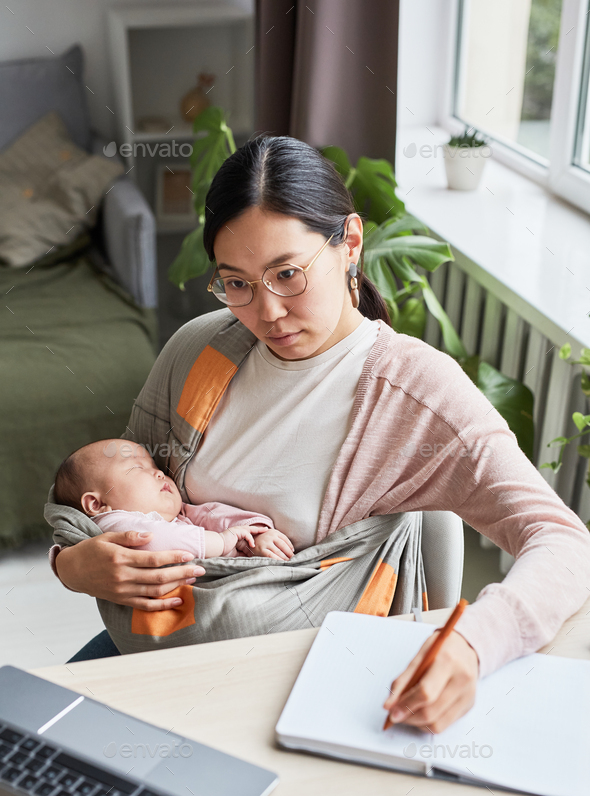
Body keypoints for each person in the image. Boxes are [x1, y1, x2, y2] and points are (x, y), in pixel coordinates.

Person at [49, 135, 590, 734]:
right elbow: (112, 494)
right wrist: (72, 567)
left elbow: (564, 542)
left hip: (298, 692)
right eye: (237, 283)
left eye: (287, 274)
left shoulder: (413, 394)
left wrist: (472, 644)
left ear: (350, 242)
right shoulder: (200, 350)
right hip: (155, 656)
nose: (267, 312)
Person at [53, 438, 295, 560]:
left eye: (155, 465)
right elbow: (159, 540)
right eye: (137, 469)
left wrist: (252, 536)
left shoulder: (179, 517)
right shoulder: (113, 524)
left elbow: (212, 515)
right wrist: (224, 541)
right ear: (96, 505)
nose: (159, 472)